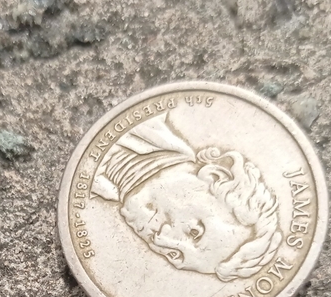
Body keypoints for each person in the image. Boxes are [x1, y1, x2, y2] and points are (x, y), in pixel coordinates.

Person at [91, 114, 283, 281]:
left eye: (174, 254)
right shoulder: (144, 120)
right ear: (214, 177)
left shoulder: (95, 185)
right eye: (193, 231)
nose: (160, 239)